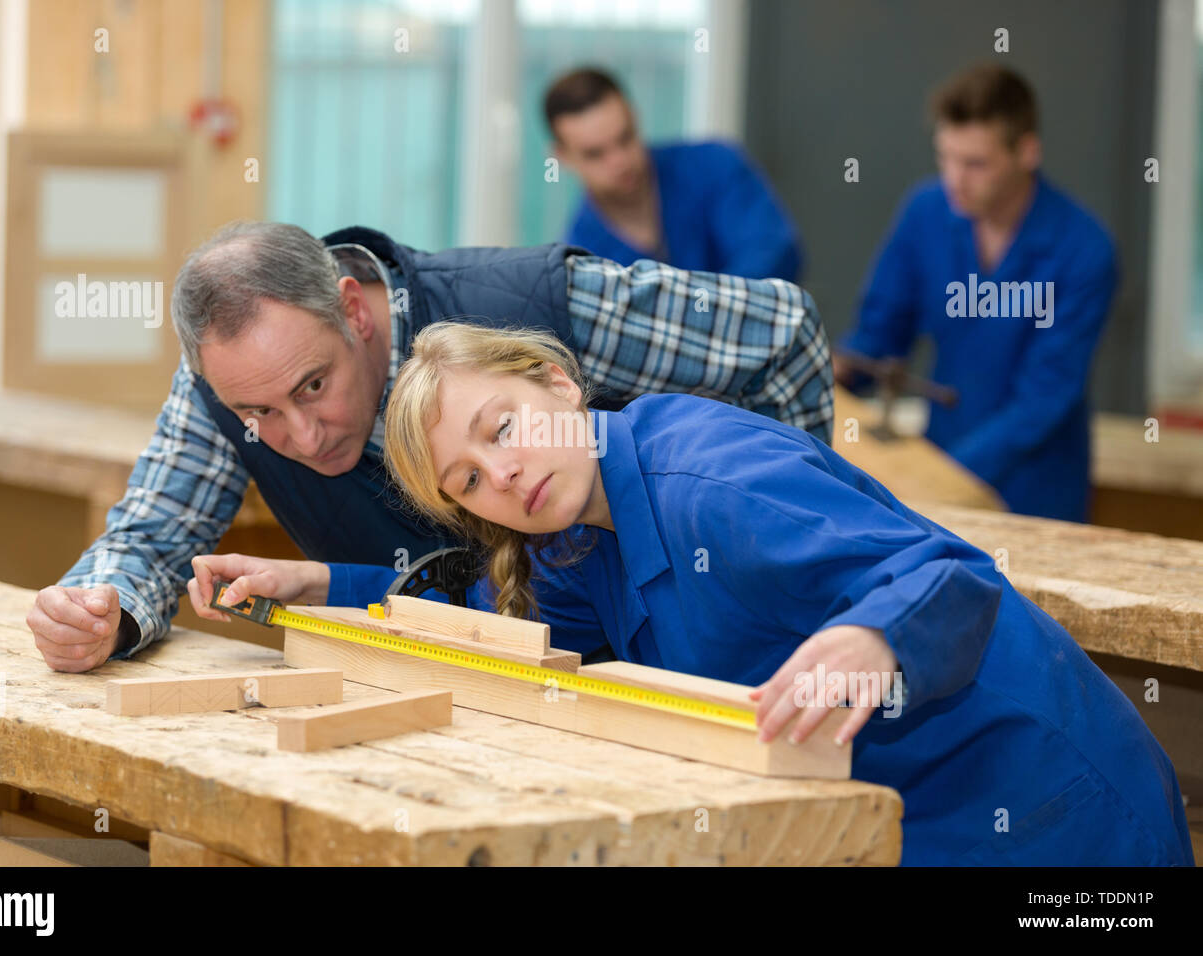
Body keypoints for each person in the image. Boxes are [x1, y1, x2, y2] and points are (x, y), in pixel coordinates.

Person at [189, 322, 1192, 866]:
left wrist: (872, 643)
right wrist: (320, 584)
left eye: (502, 428)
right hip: (901, 814)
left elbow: (953, 575)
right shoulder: (574, 535)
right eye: (467, 482)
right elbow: (511, 641)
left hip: (1050, 805)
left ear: (555, 381)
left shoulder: (710, 478)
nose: (505, 476)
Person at [27, 221, 834, 672]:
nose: (299, 437)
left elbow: (783, 334)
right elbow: (149, 541)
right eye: (259, 412)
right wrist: (100, 610)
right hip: (487, 670)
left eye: (313, 387)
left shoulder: (542, 307)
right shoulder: (230, 376)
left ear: (355, 310)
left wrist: (760, 545)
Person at [834, 64, 1117, 522]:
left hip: (1035, 497)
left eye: (975, 164)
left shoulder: (1084, 249)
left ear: (1027, 152)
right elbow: (880, 333)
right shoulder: (924, 213)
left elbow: (1043, 399)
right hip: (938, 475)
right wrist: (837, 370)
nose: (955, 180)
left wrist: (942, 476)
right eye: (945, 157)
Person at [546, 67, 802, 280]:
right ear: (563, 156)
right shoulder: (580, 259)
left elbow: (776, 253)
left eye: (625, 138)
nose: (620, 161)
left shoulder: (715, 165)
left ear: (635, 117)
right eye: (595, 154)